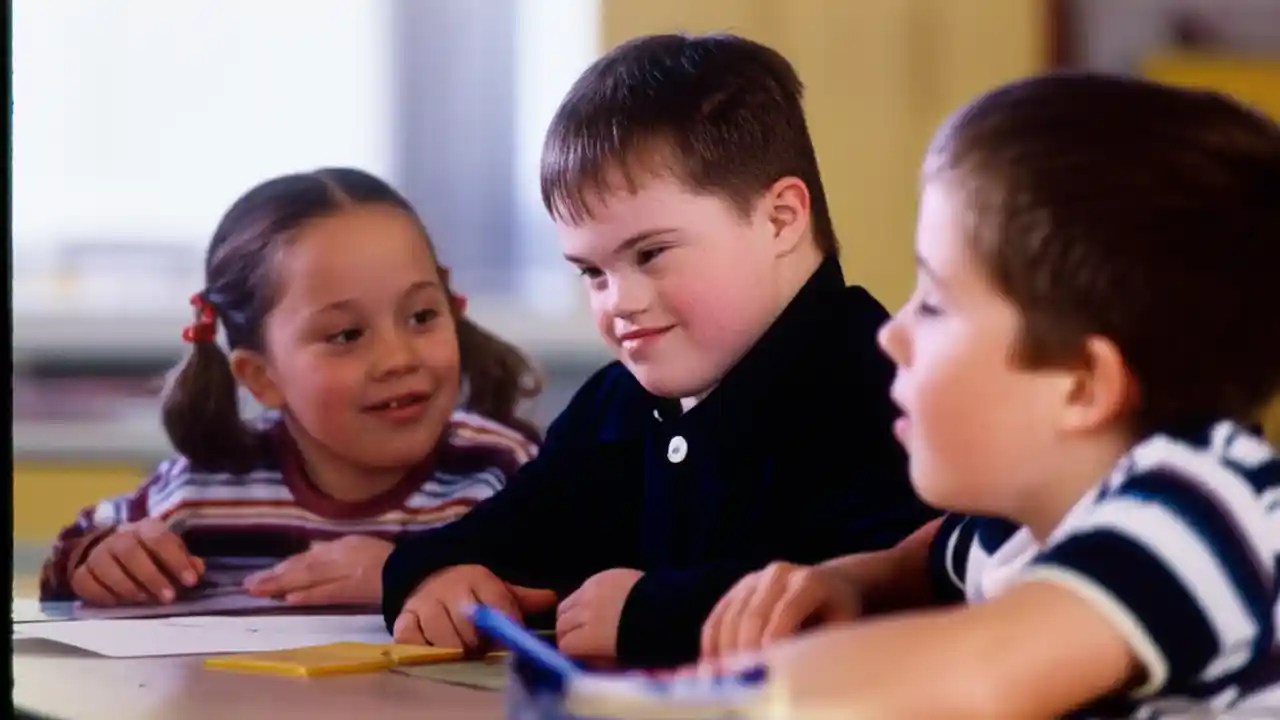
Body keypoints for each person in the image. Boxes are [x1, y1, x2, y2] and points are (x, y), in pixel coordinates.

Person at [699, 73, 1280, 717]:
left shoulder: (1204, 507)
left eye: (936, 303)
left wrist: (696, 700)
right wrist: (850, 581)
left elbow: (971, 679)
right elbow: (926, 560)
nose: (892, 334)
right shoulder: (1019, 522)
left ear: (1081, 385)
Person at [382, 33, 934, 667]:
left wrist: (655, 614)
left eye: (650, 254)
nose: (620, 301)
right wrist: (439, 580)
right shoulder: (616, 403)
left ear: (781, 219)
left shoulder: (885, 387)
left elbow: (881, 594)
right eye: (592, 272)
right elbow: (498, 534)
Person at [40, 168, 542, 610]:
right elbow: (72, 555)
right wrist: (100, 559)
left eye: (422, 316)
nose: (399, 358)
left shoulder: (504, 473)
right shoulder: (202, 491)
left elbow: (577, 594)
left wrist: (405, 573)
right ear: (262, 376)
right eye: (346, 335)